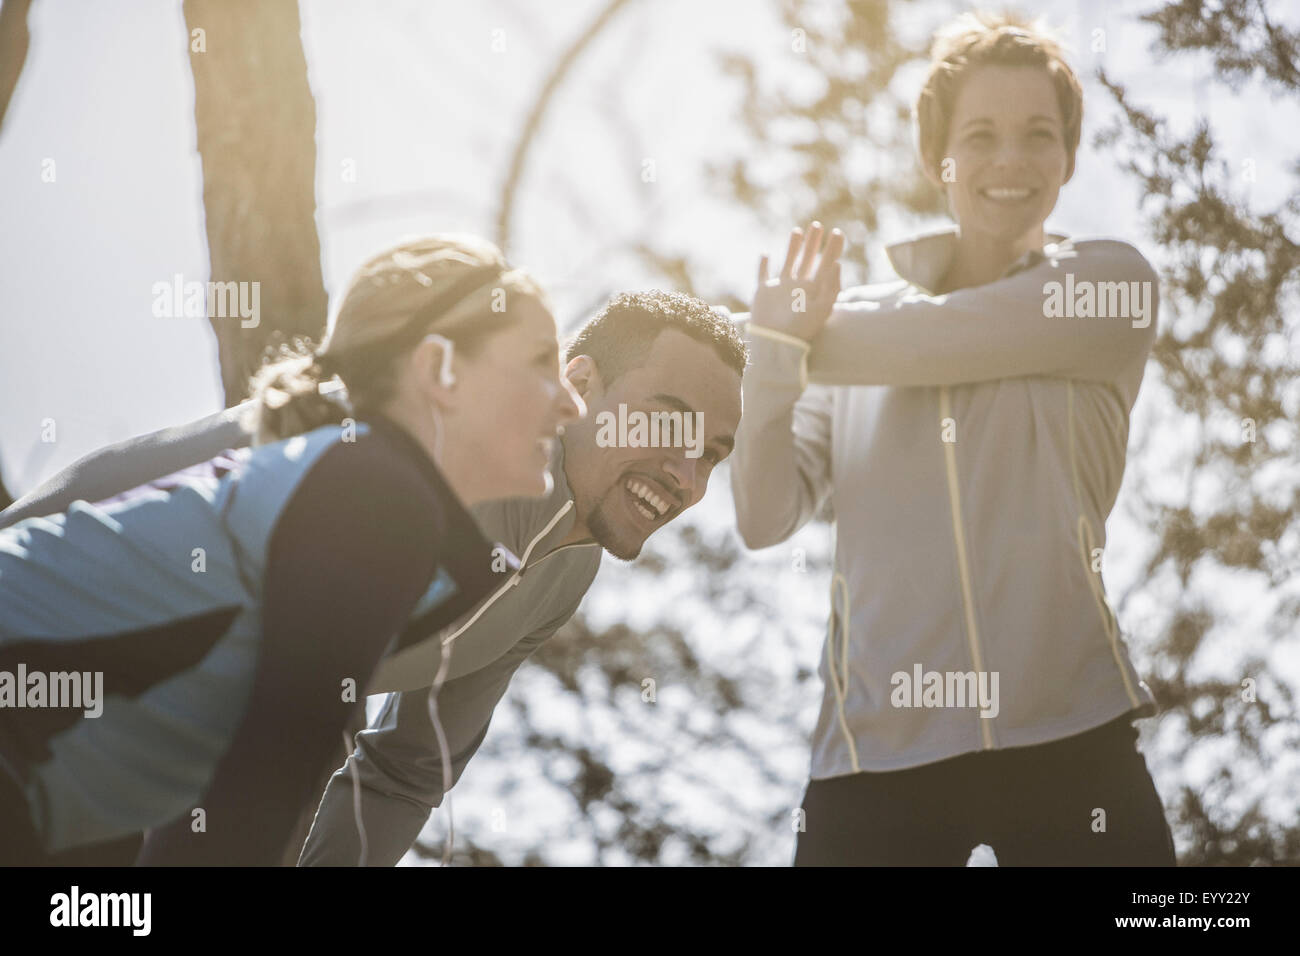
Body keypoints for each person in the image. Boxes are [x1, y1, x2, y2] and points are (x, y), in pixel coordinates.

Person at [2, 289, 746, 866]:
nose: (686, 474)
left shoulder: (565, 571)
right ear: (578, 381)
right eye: (668, 422)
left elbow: (408, 769)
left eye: (712, 453)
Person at [730, 12, 1177, 865]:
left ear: (1069, 159)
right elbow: (762, 515)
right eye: (980, 136)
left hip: (1070, 734)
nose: (1010, 159)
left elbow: (945, 339)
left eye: (1038, 135)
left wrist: (773, 341)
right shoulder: (847, 324)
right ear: (940, 160)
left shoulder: (1109, 288)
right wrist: (770, 372)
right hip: (872, 758)